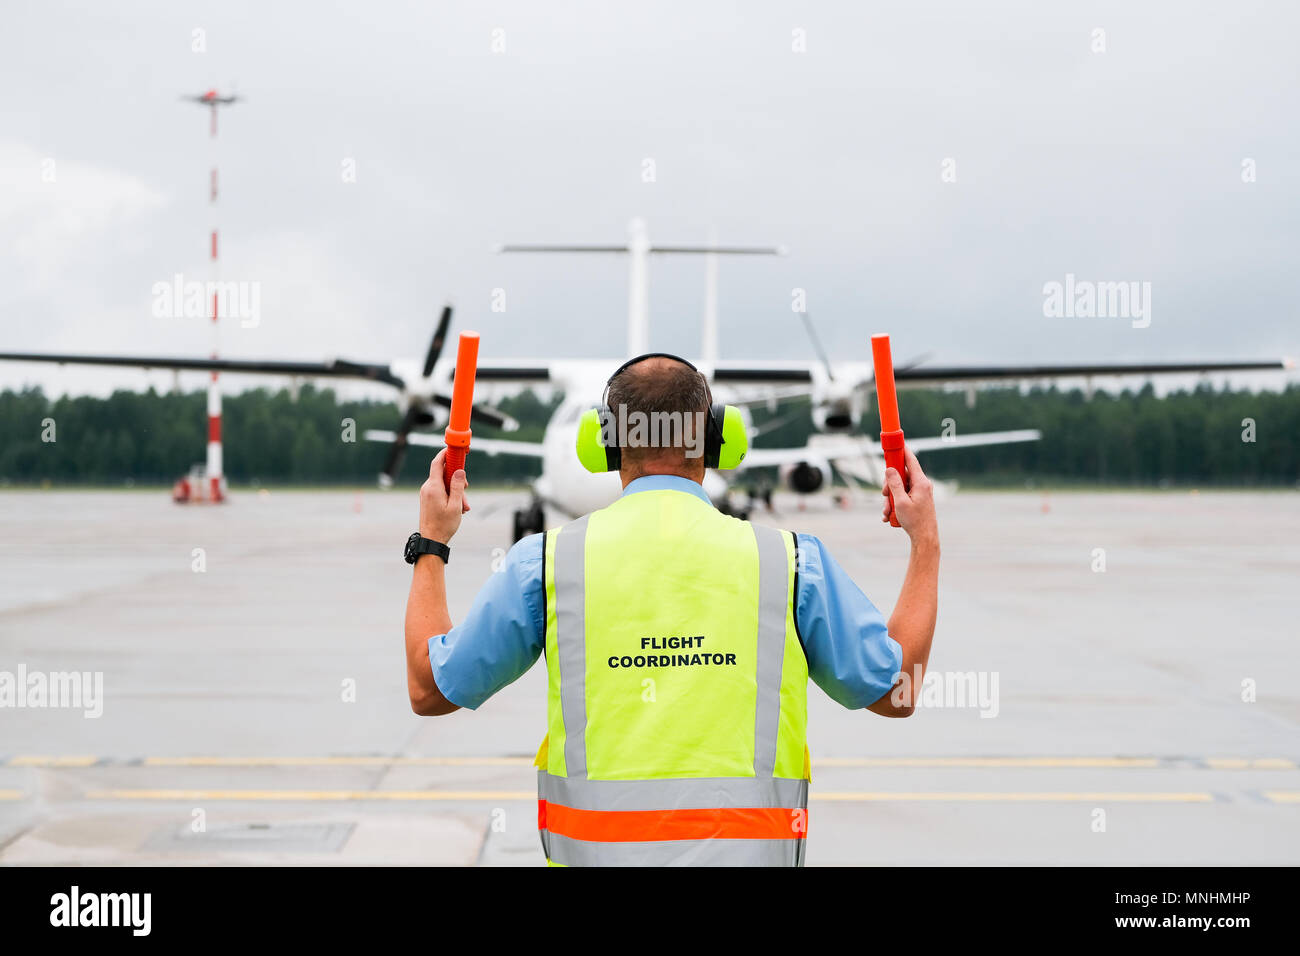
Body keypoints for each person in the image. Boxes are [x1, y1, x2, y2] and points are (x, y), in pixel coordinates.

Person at [403, 354, 939, 866]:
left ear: (604, 442)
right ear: (716, 439)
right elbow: (898, 690)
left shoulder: (544, 563)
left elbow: (430, 690)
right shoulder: (793, 562)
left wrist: (432, 541)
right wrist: (926, 542)